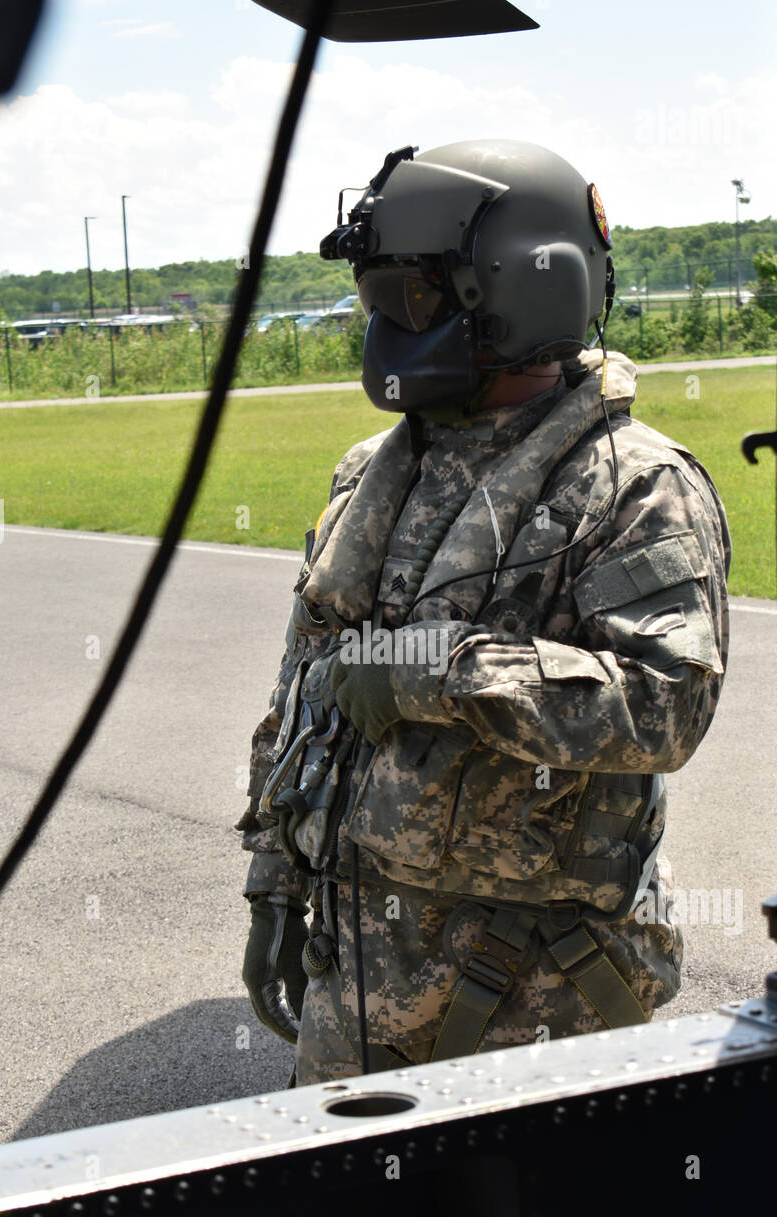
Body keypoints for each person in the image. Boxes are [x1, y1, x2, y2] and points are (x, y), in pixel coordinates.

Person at [235, 140, 731, 1086]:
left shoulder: (633, 486)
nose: (383, 323)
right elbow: (301, 691)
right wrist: (273, 882)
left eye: (411, 296)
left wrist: (440, 670)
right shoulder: (370, 473)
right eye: (378, 295)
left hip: (535, 988)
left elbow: (665, 708)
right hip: (354, 969)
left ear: (522, 292)